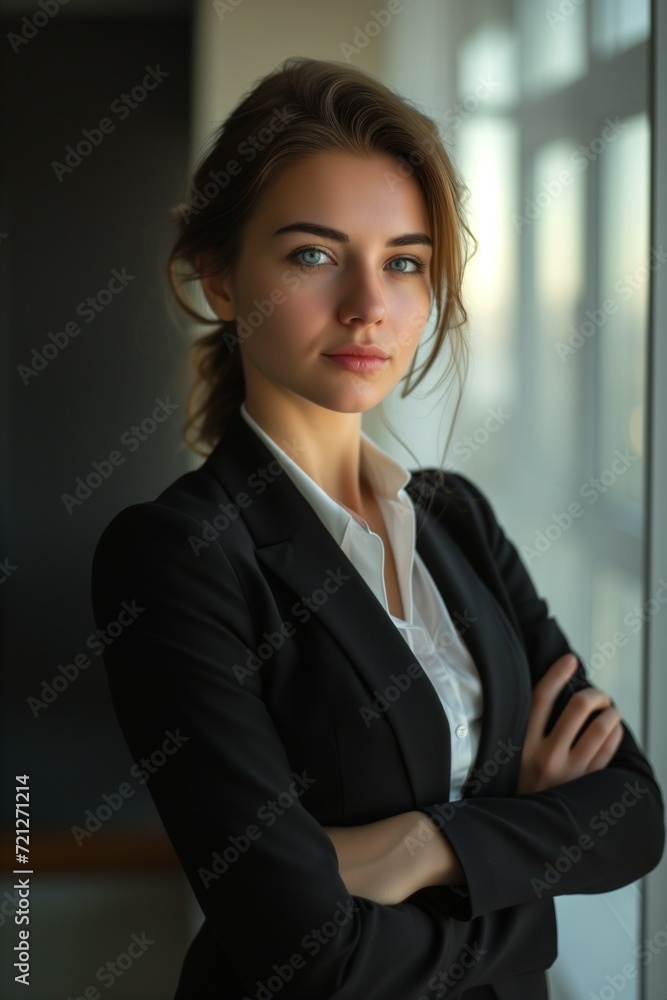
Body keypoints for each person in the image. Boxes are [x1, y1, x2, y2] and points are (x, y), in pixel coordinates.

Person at [90, 56, 665, 1000]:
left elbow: (633, 813)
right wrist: (527, 865)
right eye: (313, 254)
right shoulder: (177, 556)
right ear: (222, 280)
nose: (369, 306)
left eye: (402, 261)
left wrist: (413, 847)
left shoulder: (453, 516)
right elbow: (304, 947)